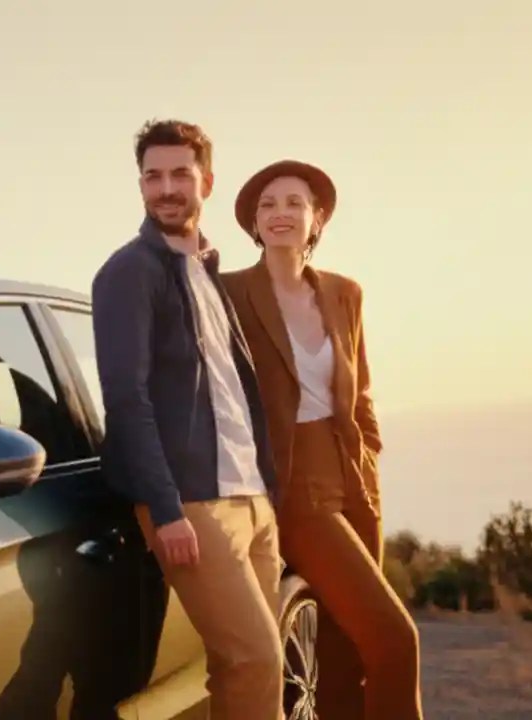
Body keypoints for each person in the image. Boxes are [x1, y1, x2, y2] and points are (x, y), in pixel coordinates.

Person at [90, 119, 284, 720]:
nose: (166, 189)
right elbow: (128, 400)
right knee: (256, 660)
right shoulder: (128, 273)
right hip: (193, 504)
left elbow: (230, 391)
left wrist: (268, 493)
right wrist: (166, 509)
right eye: (153, 176)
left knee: (246, 669)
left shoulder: (206, 270)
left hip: (250, 496)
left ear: (207, 181)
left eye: (180, 174)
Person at [221, 159, 423, 720]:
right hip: (291, 484)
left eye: (293, 203)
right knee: (392, 639)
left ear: (317, 218)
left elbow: (360, 395)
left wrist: (370, 456)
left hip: (354, 476)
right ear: (254, 226)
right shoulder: (229, 294)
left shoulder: (344, 294)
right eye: (267, 206)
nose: (280, 213)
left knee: (345, 650)